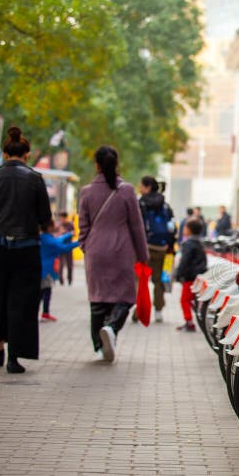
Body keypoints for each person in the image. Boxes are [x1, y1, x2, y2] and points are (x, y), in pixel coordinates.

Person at [0, 126, 52, 373]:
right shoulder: (34, 179)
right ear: (27, 154)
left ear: (4, 153)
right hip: (26, 247)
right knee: (21, 301)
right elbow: (45, 217)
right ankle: (14, 356)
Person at [79, 146, 148, 362]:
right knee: (125, 297)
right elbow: (136, 226)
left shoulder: (87, 191)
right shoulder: (127, 191)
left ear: (96, 165)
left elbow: (83, 226)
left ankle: (99, 346)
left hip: (95, 251)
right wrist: (142, 255)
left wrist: (86, 246)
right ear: (116, 164)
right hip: (121, 251)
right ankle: (111, 327)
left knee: (98, 300)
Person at [138, 175, 175, 323]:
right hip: (163, 248)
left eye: (141, 186)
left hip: (144, 247)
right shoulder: (165, 205)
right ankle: (158, 311)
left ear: (147, 187)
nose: (139, 189)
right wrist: (171, 247)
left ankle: (138, 311)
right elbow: (172, 227)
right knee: (159, 280)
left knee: (141, 280)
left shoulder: (141, 203)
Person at [39, 219, 78, 321]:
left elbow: (58, 241)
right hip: (46, 271)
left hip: (43, 270)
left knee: (45, 291)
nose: (55, 226)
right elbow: (62, 247)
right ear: (49, 227)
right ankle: (44, 313)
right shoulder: (48, 240)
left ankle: (45, 312)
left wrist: (69, 234)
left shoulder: (44, 237)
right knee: (44, 292)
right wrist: (79, 242)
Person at [174, 218, 207, 331]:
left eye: (186, 228)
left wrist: (179, 274)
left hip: (189, 277)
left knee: (184, 300)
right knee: (192, 300)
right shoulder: (199, 243)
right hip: (197, 276)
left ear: (189, 230)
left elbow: (185, 261)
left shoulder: (188, 244)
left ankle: (189, 322)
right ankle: (192, 320)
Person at [55, 212, 75, 285]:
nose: (61, 219)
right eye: (60, 218)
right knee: (61, 264)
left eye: (62, 218)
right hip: (61, 246)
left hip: (69, 246)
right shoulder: (58, 225)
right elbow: (55, 234)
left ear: (65, 217)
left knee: (69, 265)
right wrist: (60, 233)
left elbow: (74, 233)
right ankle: (60, 279)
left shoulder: (70, 224)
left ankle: (69, 279)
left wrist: (66, 232)